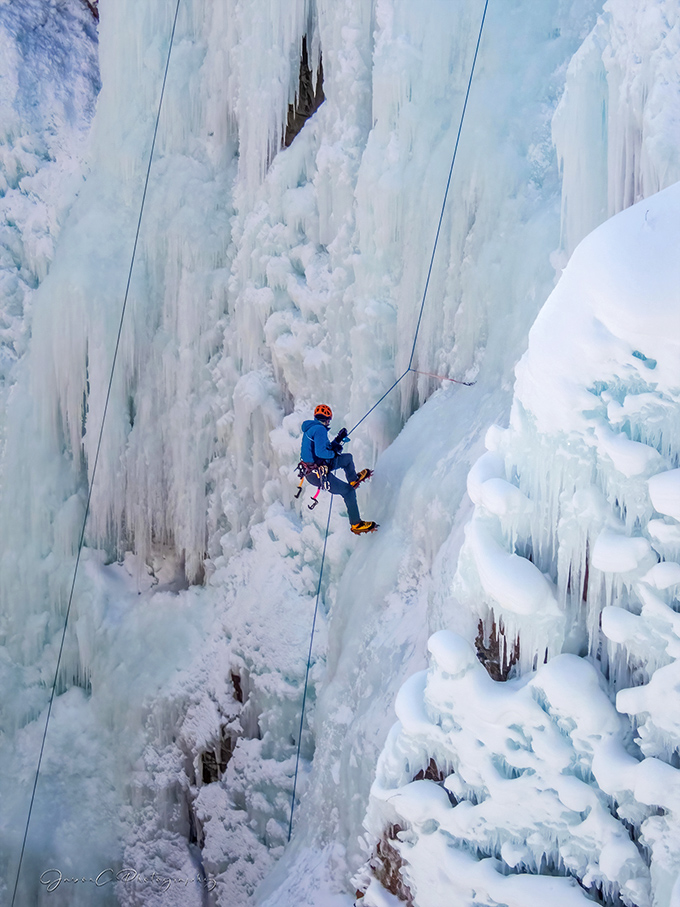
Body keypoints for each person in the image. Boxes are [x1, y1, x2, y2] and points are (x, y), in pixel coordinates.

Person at [299, 404, 378, 534]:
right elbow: (321, 452)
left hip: (318, 467)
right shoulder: (319, 430)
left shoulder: (313, 428)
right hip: (317, 474)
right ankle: (356, 524)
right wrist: (334, 453)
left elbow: (322, 449)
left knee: (347, 459)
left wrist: (337, 440)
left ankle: (354, 479)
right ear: (327, 419)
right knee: (348, 492)